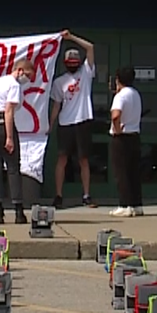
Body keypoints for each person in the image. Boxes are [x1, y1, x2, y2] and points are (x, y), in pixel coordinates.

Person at [0, 58, 36, 225]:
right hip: (1, 124)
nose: (27, 79)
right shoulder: (13, 85)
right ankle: (18, 211)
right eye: (27, 75)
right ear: (19, 70)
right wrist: (9, 137)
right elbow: (8, 111)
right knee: (12, 167)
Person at [49, 29, 97, 209]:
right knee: (62, 159)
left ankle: (86, 195)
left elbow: (90, 47)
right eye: (69, 62)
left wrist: (71, 38)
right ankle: (58, 195)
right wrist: (50, 124)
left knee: (83, 160)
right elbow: (56, 106)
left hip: (83, 120)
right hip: (65, 124)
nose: (73, 64)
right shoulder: (59, 82)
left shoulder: (86, 73)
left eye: (75, 61)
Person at [109, 66, 144, 218]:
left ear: (118, 79)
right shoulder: (135, 94)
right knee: (133, 172)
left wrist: (117, 129)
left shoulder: (121, 96)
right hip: (134, 136)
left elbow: (116, 115)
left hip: (122, 137)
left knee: (121, 172)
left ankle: (124, 205)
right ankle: (136, 205)